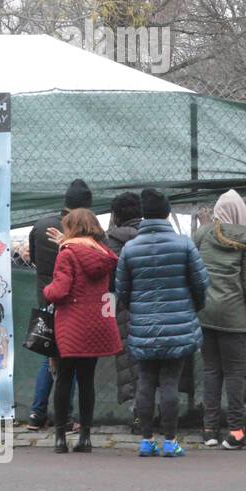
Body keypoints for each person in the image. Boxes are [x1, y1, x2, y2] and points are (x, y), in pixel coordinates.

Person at [116, 189, 209, 458]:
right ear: (168, 213)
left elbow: (121, 291)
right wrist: (191, 308)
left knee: (145, 381)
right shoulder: (184, 244)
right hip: (178, 325)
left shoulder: (130, 249)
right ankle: (170, 441)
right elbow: (201, 284)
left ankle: (146, 441)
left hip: (143, 326)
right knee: (170, 382)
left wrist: (139, 309)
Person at [42, 208, 122, 453]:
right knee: (87, 380)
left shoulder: (67, 254)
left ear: (72, 228)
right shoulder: (104, 254)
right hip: (97, 322)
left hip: (71, 323)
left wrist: (47, 291)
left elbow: (60, 290)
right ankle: (85, 437)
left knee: (65, 378)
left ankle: (60, 438)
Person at [194, 189, 246, 449]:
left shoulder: (202, 234)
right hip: (235, 317)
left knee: (211, 371)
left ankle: (209, 429)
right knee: (235, 373)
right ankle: (235, 431)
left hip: (204, 314)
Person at [25, 179, 92, 430]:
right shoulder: (85, 233)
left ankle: (36, 413)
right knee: (70, 359)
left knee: (49, 356)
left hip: (45, 299)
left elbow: (32, 259)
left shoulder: (40, 226)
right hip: (73, 304)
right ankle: (66, 417)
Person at [105, 192, 144, 419]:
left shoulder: (111, 241)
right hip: (157, 305)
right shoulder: (155, 235)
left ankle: (139, 413)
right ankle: (166, 415)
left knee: (132, 359)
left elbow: (111, 280)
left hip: (126, 306)